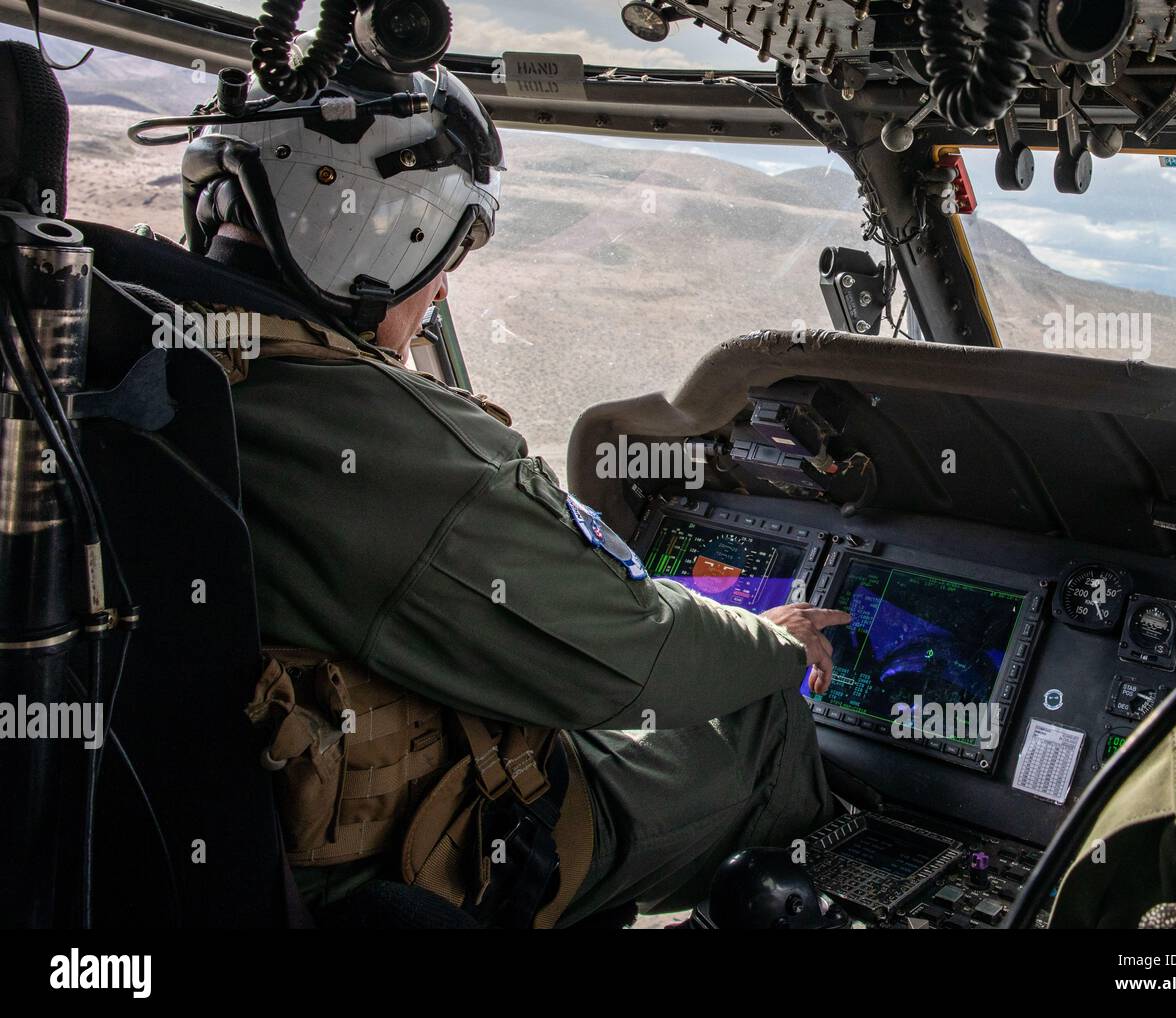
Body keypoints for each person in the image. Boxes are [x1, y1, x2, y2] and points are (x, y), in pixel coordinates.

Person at [182, 51, 847, 926]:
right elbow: (633, 657)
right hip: (381, 865)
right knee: (761, 723)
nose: (442, 284)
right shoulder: (375, 436)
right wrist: (771, 643)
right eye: (441, 249)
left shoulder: (141, 349)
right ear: (373, 233)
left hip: (202, 851)